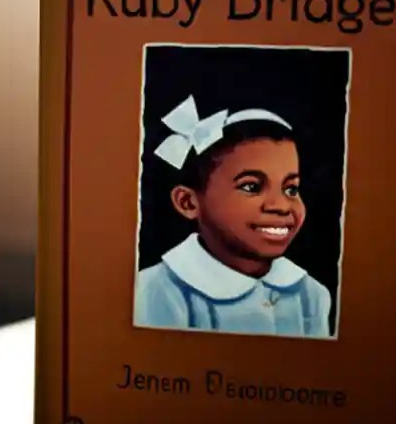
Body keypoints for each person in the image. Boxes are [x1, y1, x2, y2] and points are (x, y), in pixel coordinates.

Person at [135, 94, 333, 338]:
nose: (281, 206)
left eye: (291, 189)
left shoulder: (311, 294)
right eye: (251, 187)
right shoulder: (155, 293)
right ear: (188, 202)